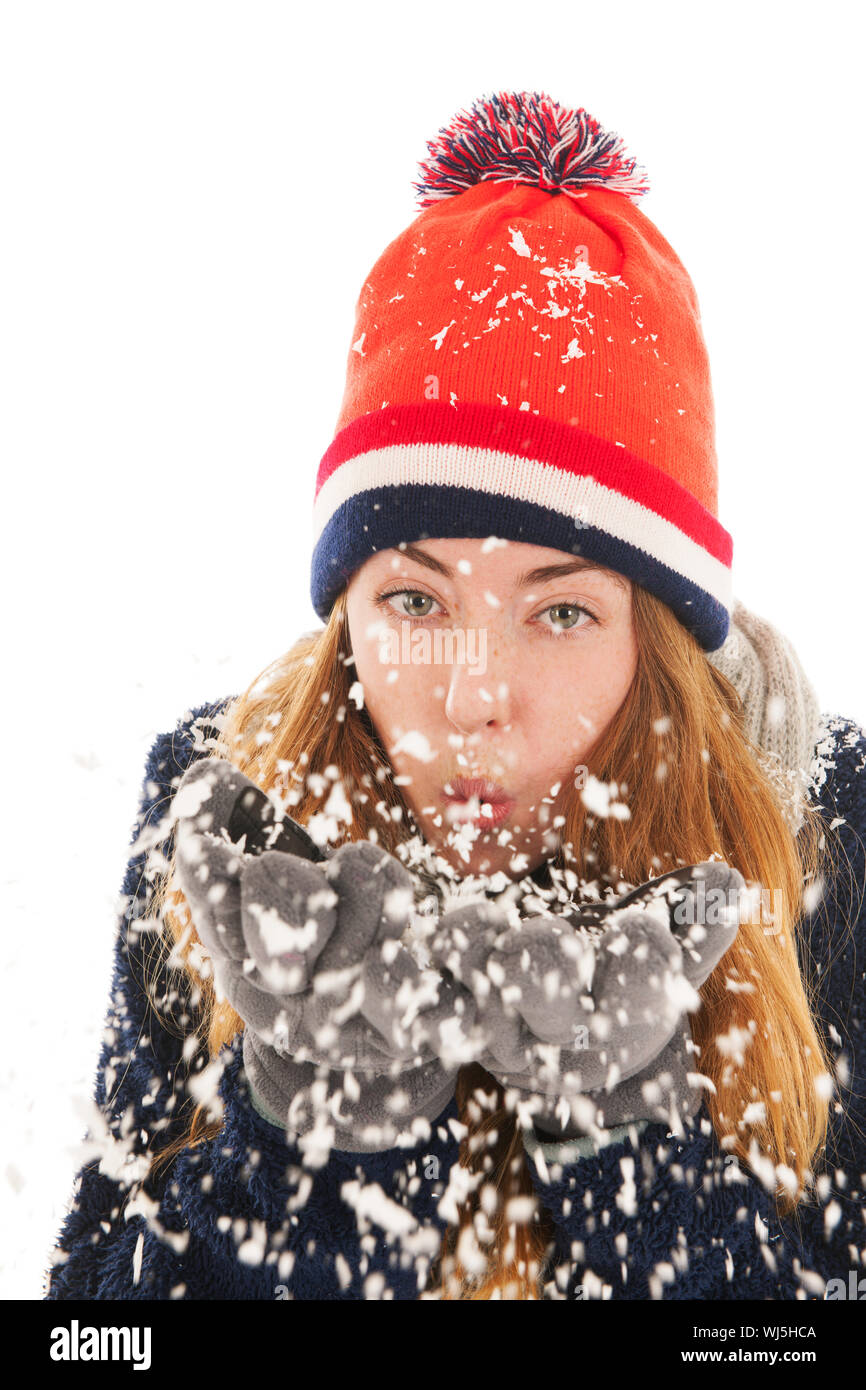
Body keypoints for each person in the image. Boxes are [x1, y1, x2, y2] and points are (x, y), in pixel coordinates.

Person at [43, 90, 865, 1302]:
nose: (476, 698)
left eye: (562, 610)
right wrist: (303, 1148)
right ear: (347, 610)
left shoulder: (813, 831)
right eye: (416, 602)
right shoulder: (228, 815)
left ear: (660, 637)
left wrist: (629, 1152)